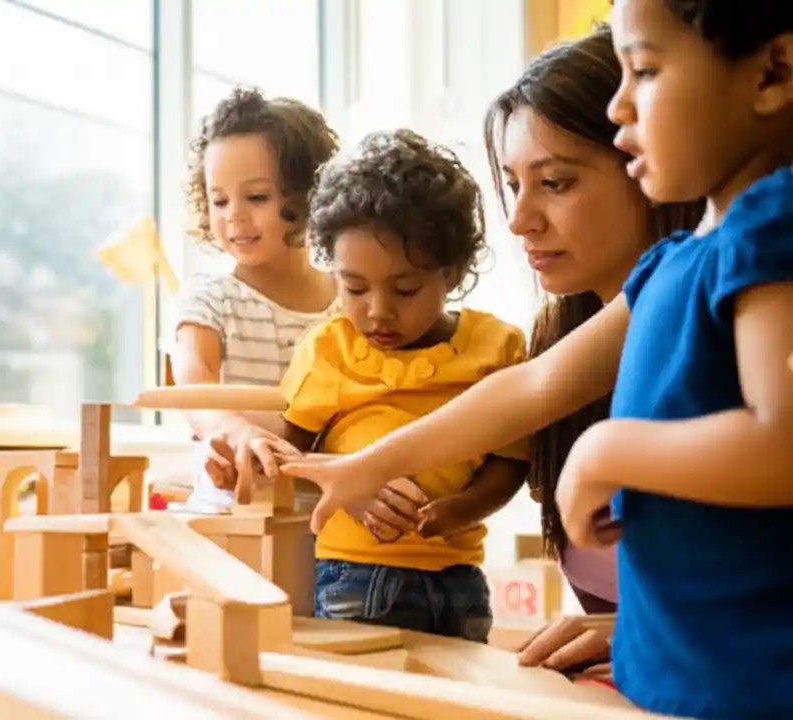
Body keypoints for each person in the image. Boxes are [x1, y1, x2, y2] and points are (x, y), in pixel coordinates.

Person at [282, 1, 793, 715]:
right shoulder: (675, 266)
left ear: (773, 72)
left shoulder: (766, 234)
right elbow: (533, 386)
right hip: (675, 680)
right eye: (515, 183)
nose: (623, 108)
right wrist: (369, 464)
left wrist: (607, 451)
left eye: (643, 71)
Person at [352, 24, 702, 678]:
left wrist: (645, 628)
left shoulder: (729, 319)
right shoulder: (554, 337)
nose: (519, 220)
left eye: (557, 183)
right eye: (513, 184)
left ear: (648, 157)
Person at [252, 129, 531, 641]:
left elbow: (511, 460)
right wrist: (350, 485)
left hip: (459, 578)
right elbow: (285, 456)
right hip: (355, 576)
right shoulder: (328, 349)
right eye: (354, 287)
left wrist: (459, 511)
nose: (377, 310)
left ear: (453, 272)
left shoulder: (497, 348)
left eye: (405, 289)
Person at [171, 86, 339, 512]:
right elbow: (193, 389)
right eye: (219, 199)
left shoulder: (349, 302)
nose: (234, 216)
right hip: (230, 512)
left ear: (308, 196)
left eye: (257, 197)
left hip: (327, 519)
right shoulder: (209, 299)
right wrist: (230, 432)